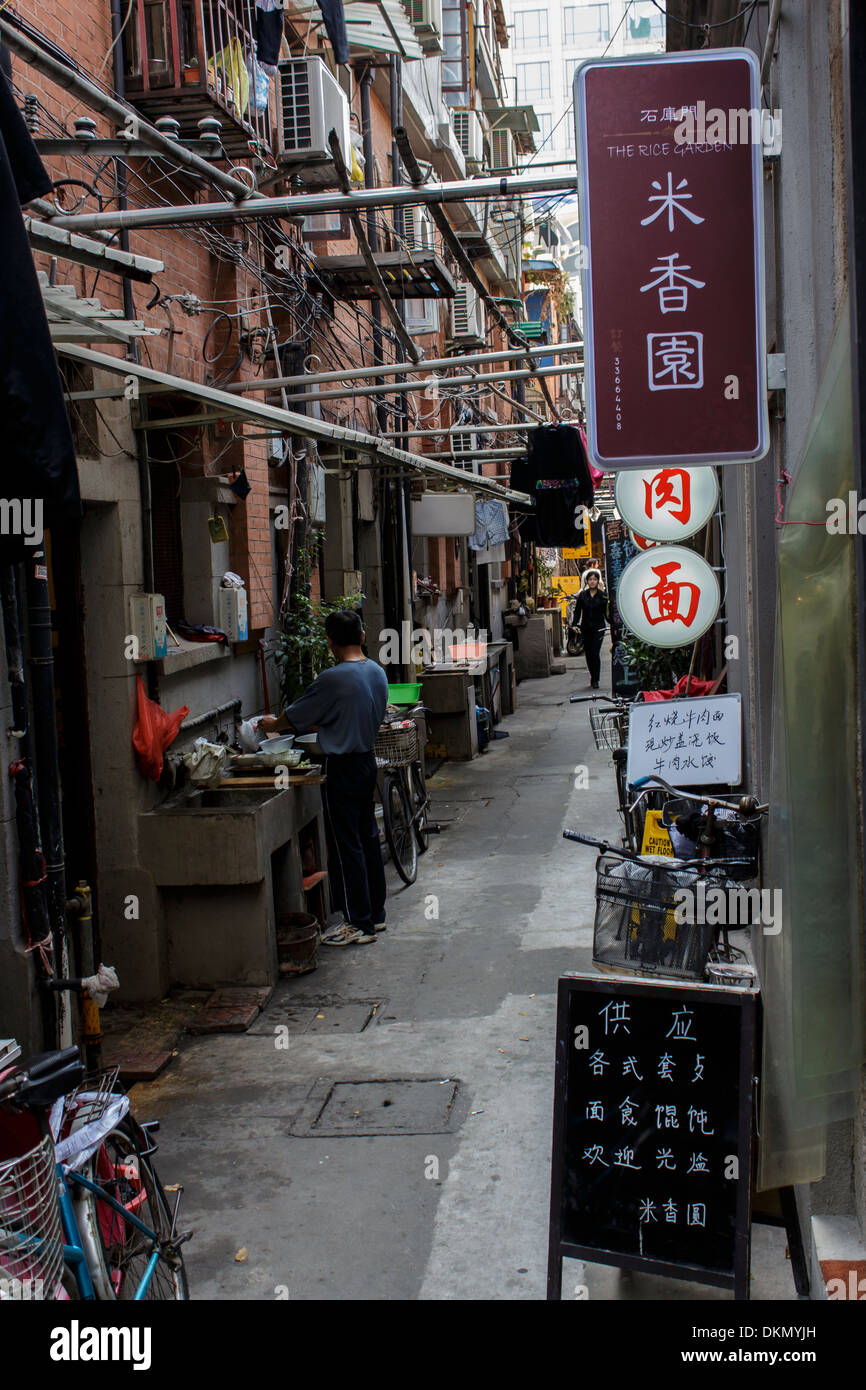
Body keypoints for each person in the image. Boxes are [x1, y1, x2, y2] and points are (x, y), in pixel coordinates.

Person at [258, 610, 388, 947]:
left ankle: (358, 923)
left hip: (343, 768)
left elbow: (296, 716)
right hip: (367, 762)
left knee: (348, 845)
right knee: (368, 836)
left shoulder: (333, 678)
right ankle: (375, 914)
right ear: (361, 636)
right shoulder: (376, 672)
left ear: (330, 641)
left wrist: (273, 725)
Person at [572, 568, 608, 690]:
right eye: (590, 579)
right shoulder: (582, 596)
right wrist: (574, 624)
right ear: (587, 581)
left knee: (595, 652)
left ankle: (596, 679)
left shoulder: (603, 596)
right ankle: (592, 676)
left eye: (595, 579)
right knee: (588, 654)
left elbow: (606, 614)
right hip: (586, 628)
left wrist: (613, 624)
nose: (592, 581)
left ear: (598, 581)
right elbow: (577, 612)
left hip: (599, 628)